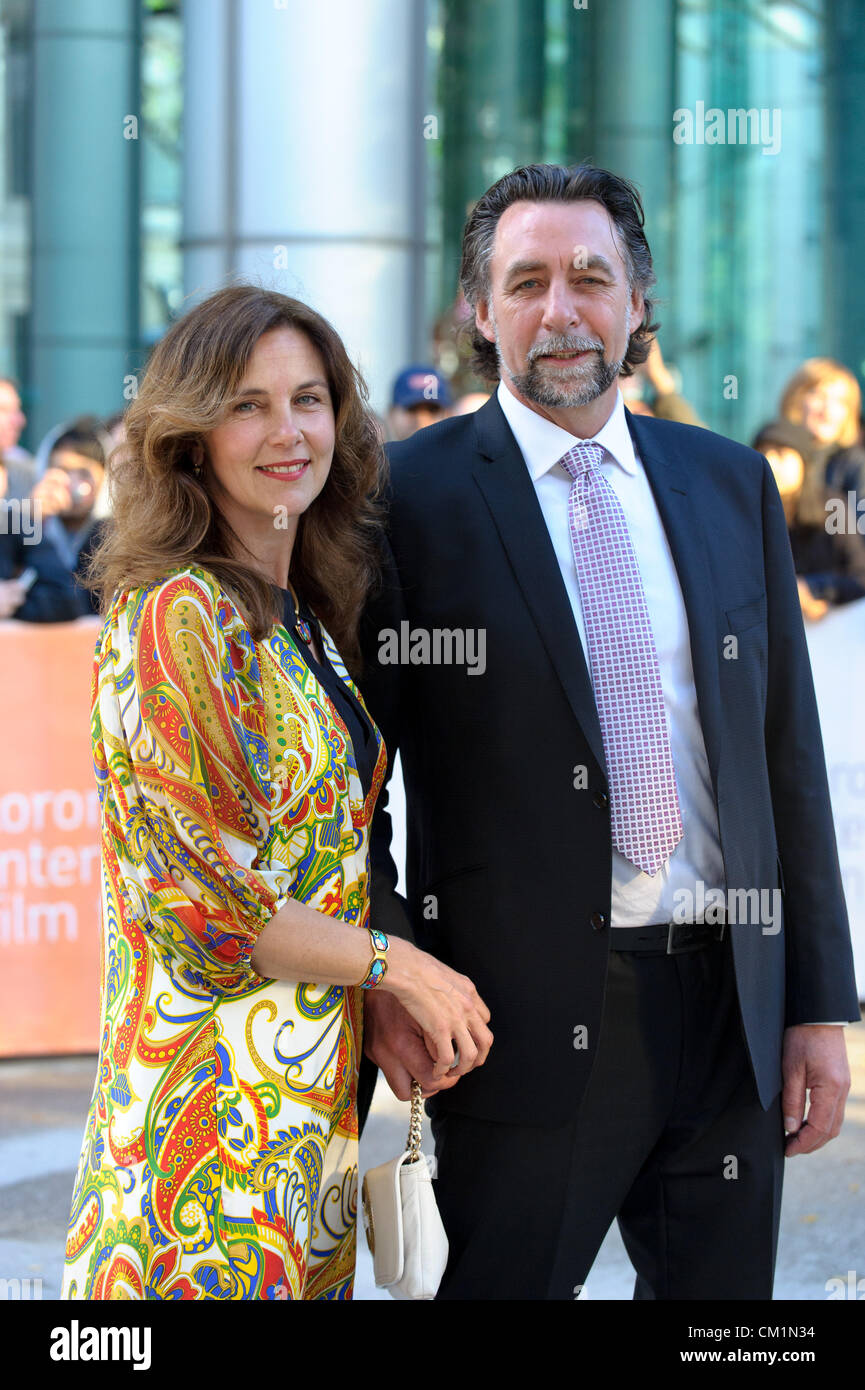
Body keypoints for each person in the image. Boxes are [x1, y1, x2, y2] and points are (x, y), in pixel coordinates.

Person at [357, 162, 860, 1301]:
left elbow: (785, 757)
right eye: (524, 281)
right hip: (513, 1027)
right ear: (480, 314)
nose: (560, 308)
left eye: (591, 276)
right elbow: (350, 780)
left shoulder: (728, 484)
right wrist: (389, 968)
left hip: (731, 1011)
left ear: (639, 302)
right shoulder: (405, 498)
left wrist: (817, 1004)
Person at [61, 284, 491, 1302]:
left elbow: (319, 863)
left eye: (308, 399)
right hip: (198, 1154)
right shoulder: (176, 616)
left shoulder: (298, 615)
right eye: (247, 404)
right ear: (191, 435)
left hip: (304, 1139)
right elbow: (201, 907)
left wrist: (371, 991)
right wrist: (401, 967)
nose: (286, 430)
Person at [752, 419, 865, 619]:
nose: (769, 463)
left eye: (780, 453)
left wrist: (813, 588)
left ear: (804, 463)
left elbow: (859, 576)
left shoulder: (831, 506)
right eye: (762, 454)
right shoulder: (744, 510)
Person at [30, 418, 113, 615]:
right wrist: (31, 524)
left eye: (83, 472)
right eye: (61, 470)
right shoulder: (29, 523)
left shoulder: (115, 537)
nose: (70, 482)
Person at [779, 357, 865, 511]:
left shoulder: (855, 465)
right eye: (819, 395)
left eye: (840, 401)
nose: (828, 409)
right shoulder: (775, 454)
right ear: (796, 398)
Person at [387, 364, 453, 440]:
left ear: (449, 415)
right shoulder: (377, 451)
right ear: (391, 415)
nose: (422, 423)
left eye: (432, 410)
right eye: (412, 409)